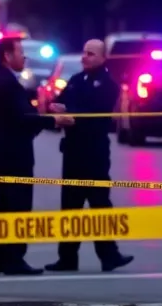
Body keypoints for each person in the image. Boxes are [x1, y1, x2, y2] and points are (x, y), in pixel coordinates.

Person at [0, 36, 71, 276]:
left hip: (3, 152)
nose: (25, 57)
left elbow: (20, 113)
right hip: (13, 154)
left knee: (3, 206)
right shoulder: (6, 83)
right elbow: (22, 119)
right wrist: (53, 120)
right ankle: (14, 259)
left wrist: (43, 112)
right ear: (7, 56)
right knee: (17, 206)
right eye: (20, 52)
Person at [44, 38, 134, 273]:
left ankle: (109, 255)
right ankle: (67, 258)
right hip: (73, 151)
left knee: (99, 204)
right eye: (84, 52)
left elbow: (95, 113)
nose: (85, 57)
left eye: (91, 53)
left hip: (94, 152)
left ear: (103, 58)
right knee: (70, 206)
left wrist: (70, 113)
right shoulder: (76, 80)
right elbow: (59, 102)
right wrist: (55, 107)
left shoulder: (108, 85)